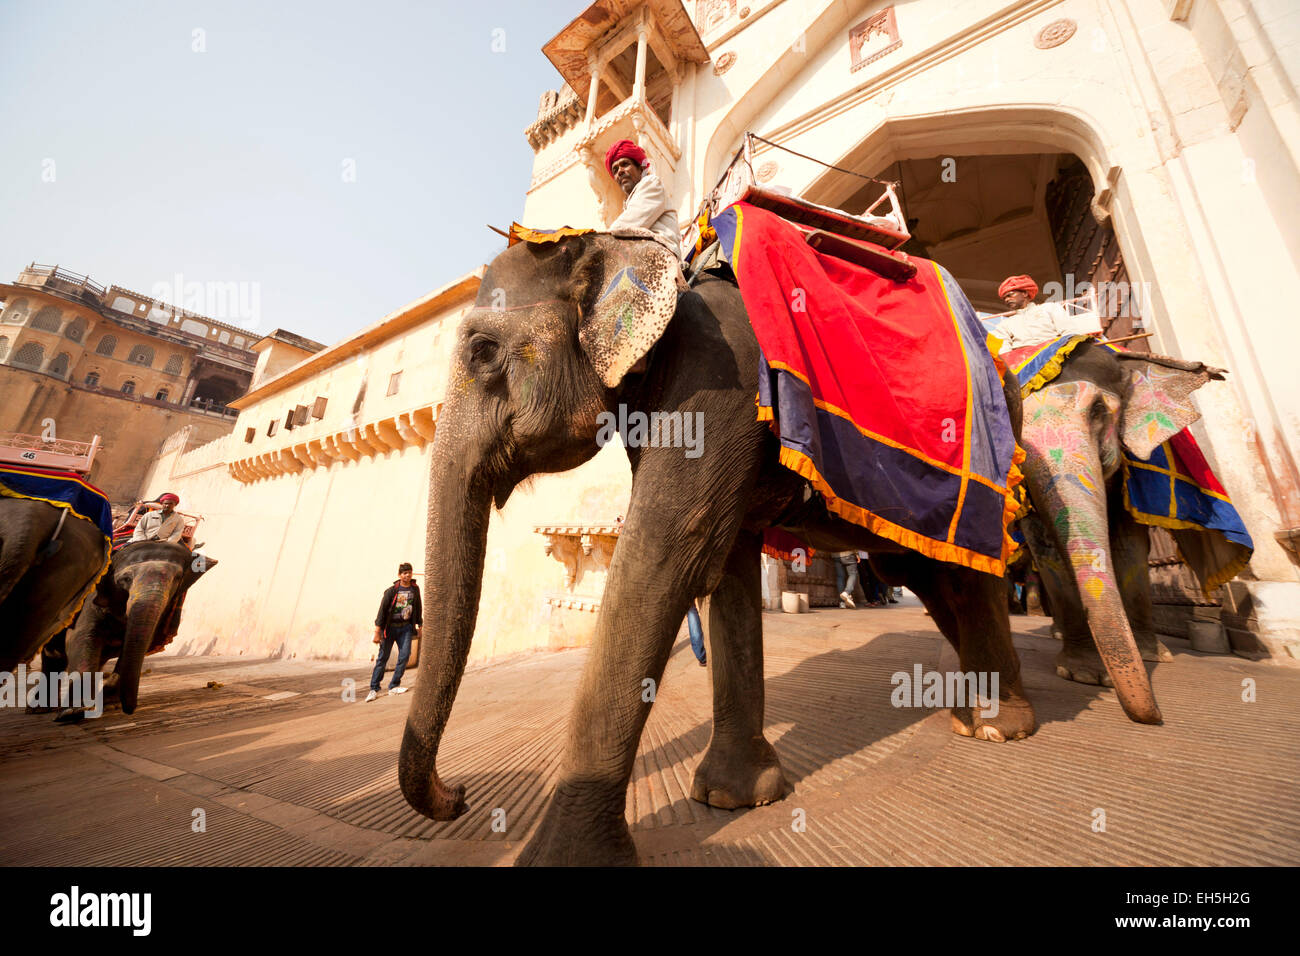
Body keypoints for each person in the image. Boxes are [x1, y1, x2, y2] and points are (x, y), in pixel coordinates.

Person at [606, 139, 680, 256]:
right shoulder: (628, 203)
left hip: (661, 255)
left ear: (641, 169)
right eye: (615, 169)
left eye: (624, 164)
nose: (620, 171)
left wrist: (598, 241)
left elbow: (627, 226)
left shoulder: (651, 183)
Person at [989, 274, 1096, 351]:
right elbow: (1004, 351)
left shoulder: (1050, 308)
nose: (1007, 300)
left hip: (1055, 351)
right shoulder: (1005, 325)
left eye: (1010, 295)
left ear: (1025, 293)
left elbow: (1069, 331)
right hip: (1023, 363)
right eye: (1004, 298)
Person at [367, 562, 422, 702]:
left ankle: (394, 685)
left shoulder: (415, 589)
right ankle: (374, 688)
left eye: (409, 572)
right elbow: (381, 612)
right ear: (399, 575)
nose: (407, 575)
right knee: (382, 658)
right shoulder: (391, 591)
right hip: (390, 629)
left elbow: (418, 607)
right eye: (404, 573)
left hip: (406, 629)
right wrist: (377, 631)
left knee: (404, 656)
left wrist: (419, 626)